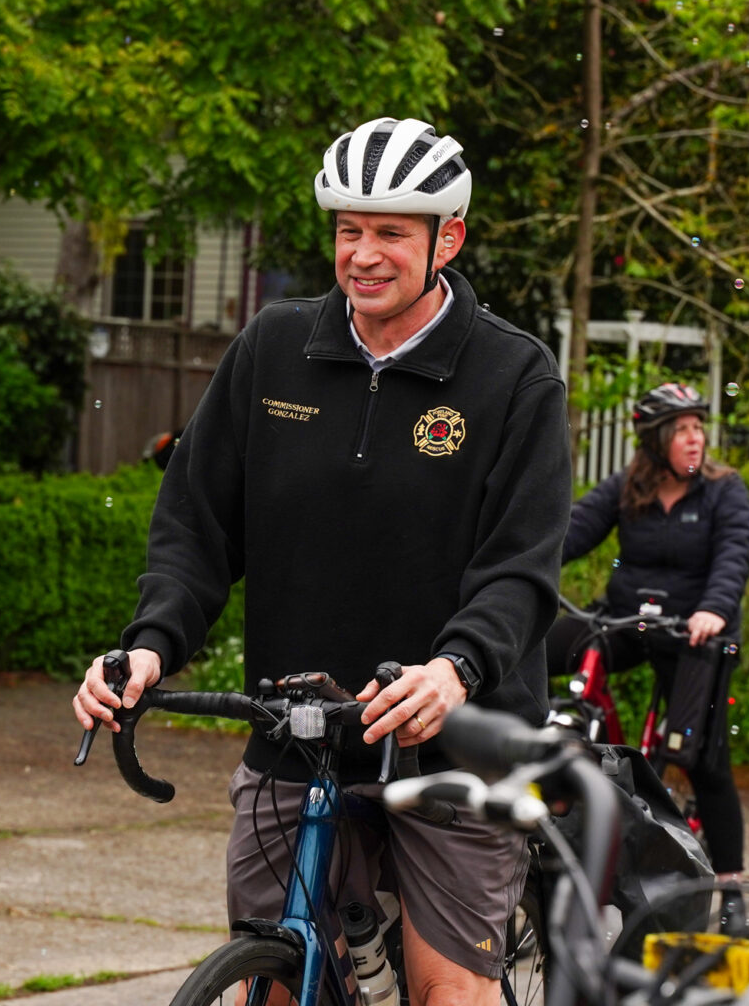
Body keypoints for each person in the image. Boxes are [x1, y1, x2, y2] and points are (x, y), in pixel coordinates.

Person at [72, 116, 572, 1006]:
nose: (365, 254)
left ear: (446, 238)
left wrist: (454, 670)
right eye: (350, 230)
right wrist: (148, 646)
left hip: (452, 745)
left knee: (446, 991)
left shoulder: (513, 378)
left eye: (390, 231)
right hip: (298, 732)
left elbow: (519, 570)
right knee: (272, 979)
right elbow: (195, 528)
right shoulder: (273, 349)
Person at [546, 382, 749, 934]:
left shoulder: (723, 491)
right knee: (537, 647)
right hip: (628, 621)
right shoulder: (628, 486)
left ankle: (731, 891)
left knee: (702, 759)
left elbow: (734, 555)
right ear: (656, 439)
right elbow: (569, 532)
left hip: (695, 634)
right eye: (682, 429)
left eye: (698, 428)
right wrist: (521, 565)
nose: (695, 439)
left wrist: (712, 609)